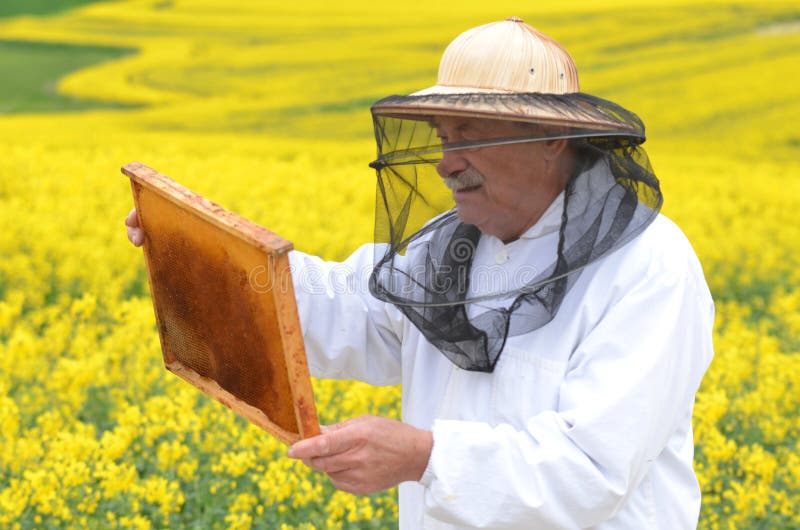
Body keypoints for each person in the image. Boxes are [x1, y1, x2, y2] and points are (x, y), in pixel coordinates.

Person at [126, 17, 714, 530]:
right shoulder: (449, 251)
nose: (445, 164)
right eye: (441, 137)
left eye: (470, 137)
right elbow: (337, 308)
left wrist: (425, 458)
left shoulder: (647, 268)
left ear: (552, 139)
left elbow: (591, 470)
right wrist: (201, 254)